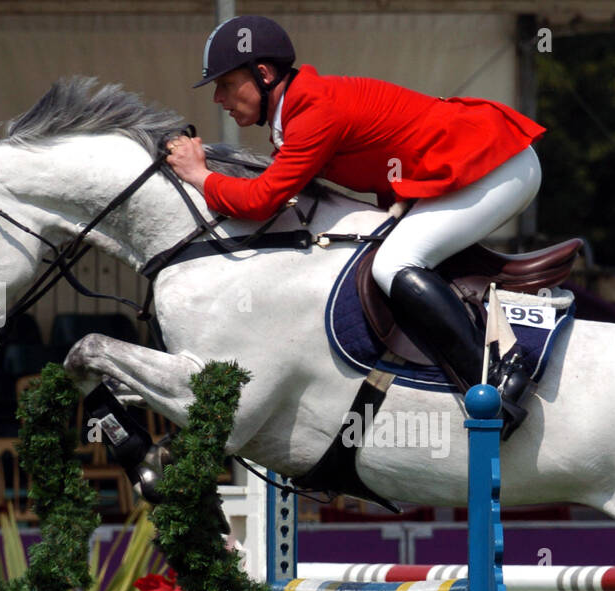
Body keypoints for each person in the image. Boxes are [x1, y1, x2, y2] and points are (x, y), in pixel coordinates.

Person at [165, 15, 545, 437]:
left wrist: (198, 175)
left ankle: (498, 379)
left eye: (226, 84)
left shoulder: (313, 112)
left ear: (264, 73)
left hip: (498, 164)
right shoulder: (297, 113)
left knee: (394, 263)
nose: (219, 98)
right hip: (473, 167)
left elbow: (260, 201)